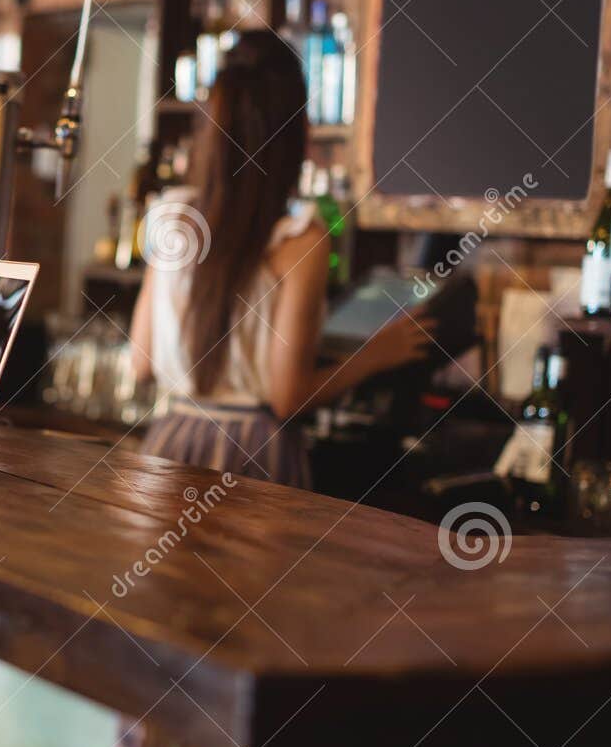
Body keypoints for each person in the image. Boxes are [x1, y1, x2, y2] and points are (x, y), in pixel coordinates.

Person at [130, 30, 434, 486]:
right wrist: (375, 355)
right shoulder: (301, 239)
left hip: (169, 446)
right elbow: (286, 396)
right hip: (250, 457)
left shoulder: (174, 219)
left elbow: (140, 361)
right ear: (294, 131)